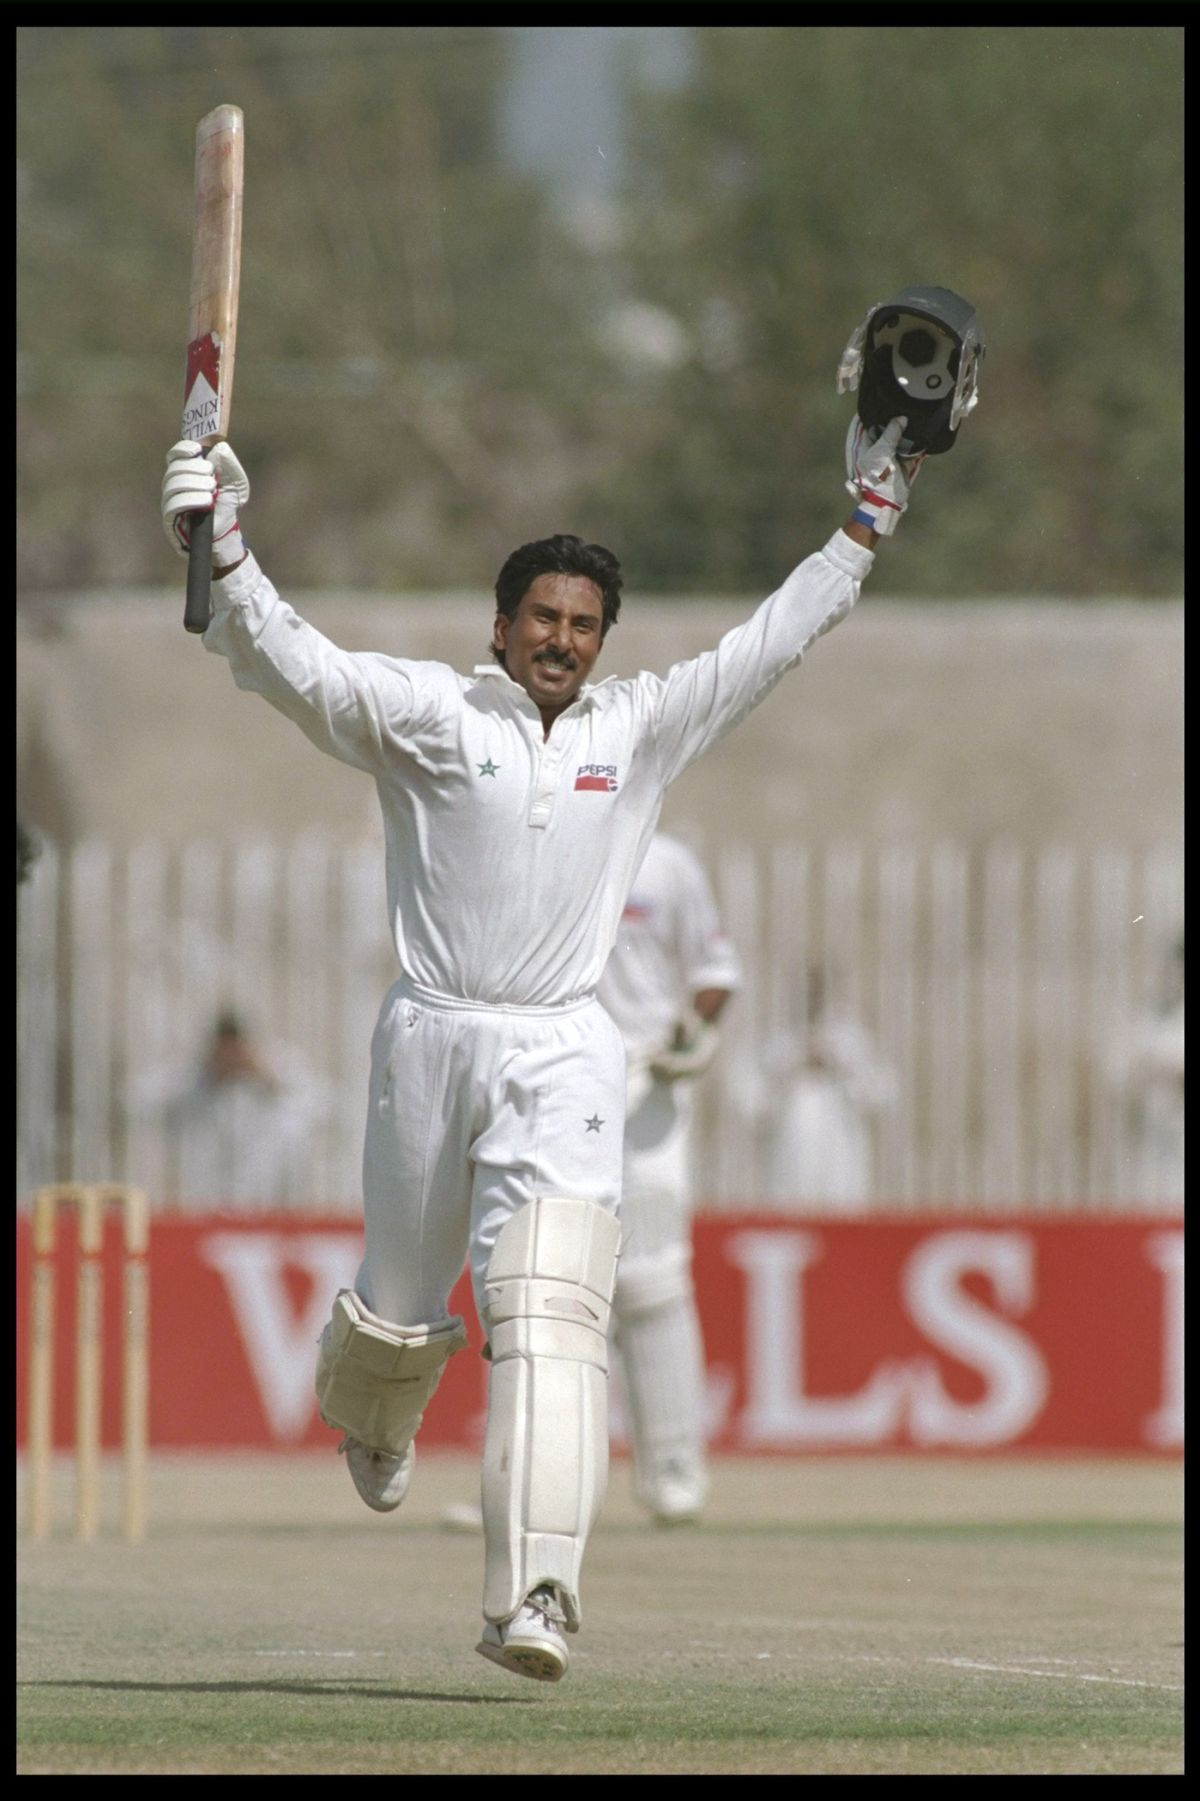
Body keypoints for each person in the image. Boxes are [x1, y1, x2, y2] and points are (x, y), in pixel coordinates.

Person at [160, 410, 926, 1683]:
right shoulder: (428, 714)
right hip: (431, 1037)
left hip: (568, 1049)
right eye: (542, 620)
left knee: (554, 1312)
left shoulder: (640, 728)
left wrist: (864, 525)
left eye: (583, 625)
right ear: (500, 626)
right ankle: (378, 1415)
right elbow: (294, 667)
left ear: (600, 641)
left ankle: (537, 1594)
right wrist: (225, 547)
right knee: (401, 1312)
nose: (563, 641)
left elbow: (771, 643)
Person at [598, 831, 740, 1525]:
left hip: (644, 1081)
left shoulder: (667, 859)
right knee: (544, 1274)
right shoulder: (527, 827)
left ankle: (674, 1464)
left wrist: (690, 1028)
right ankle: (542, 1473)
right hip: (544, 1075)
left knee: (651, 1278)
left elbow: (714, 970)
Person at [142, 1009, 326, 1209]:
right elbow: (141, 1101)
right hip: (203, 1195)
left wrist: (266, 1081)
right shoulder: (194, 1072)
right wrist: (208, 1079)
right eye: (225, 1047)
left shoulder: (279, 1065)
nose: (231, 1055)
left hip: (270, 1194)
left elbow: (321, 1106)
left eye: (236, 1047)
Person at [755, 966, 898, 1211]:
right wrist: (792, 1067)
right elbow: (753, 1101)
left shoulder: (850, 1039)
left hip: (839, 1149)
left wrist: (837, 1064)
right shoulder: (778, 1041)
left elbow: (881, 1092)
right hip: (791, 1152)